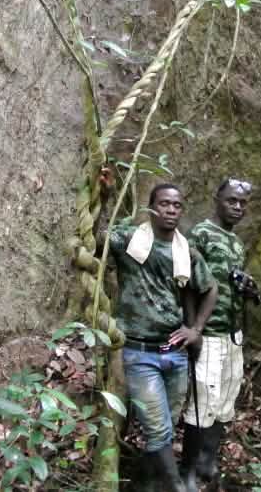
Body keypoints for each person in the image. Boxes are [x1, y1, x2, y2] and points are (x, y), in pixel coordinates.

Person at [101, 176, 218, 492]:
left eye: (177, 205)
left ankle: (145, 484)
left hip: (175, 353)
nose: (171, 210)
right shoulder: (129, 241)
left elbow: (210, 289)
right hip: (139, 351)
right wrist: (105, 195)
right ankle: (175, 486)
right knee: (158, 428)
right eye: (164, 204)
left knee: (164, 427)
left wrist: (195, 330)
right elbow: (98, 240)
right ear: (151, 209)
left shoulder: (186, 252)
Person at [180, 178, 256, 490]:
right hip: (207, 332)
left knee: (225, 401)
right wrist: (192, 329)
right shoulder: (200, 233)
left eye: (242, 203)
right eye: (231, 201)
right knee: (200, 405)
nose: (237, 207)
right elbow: (185, 282)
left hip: (231, 334)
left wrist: (249, 290)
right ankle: (186, 472)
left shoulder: (237, 243)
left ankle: (207, 462)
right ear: (217, 199)